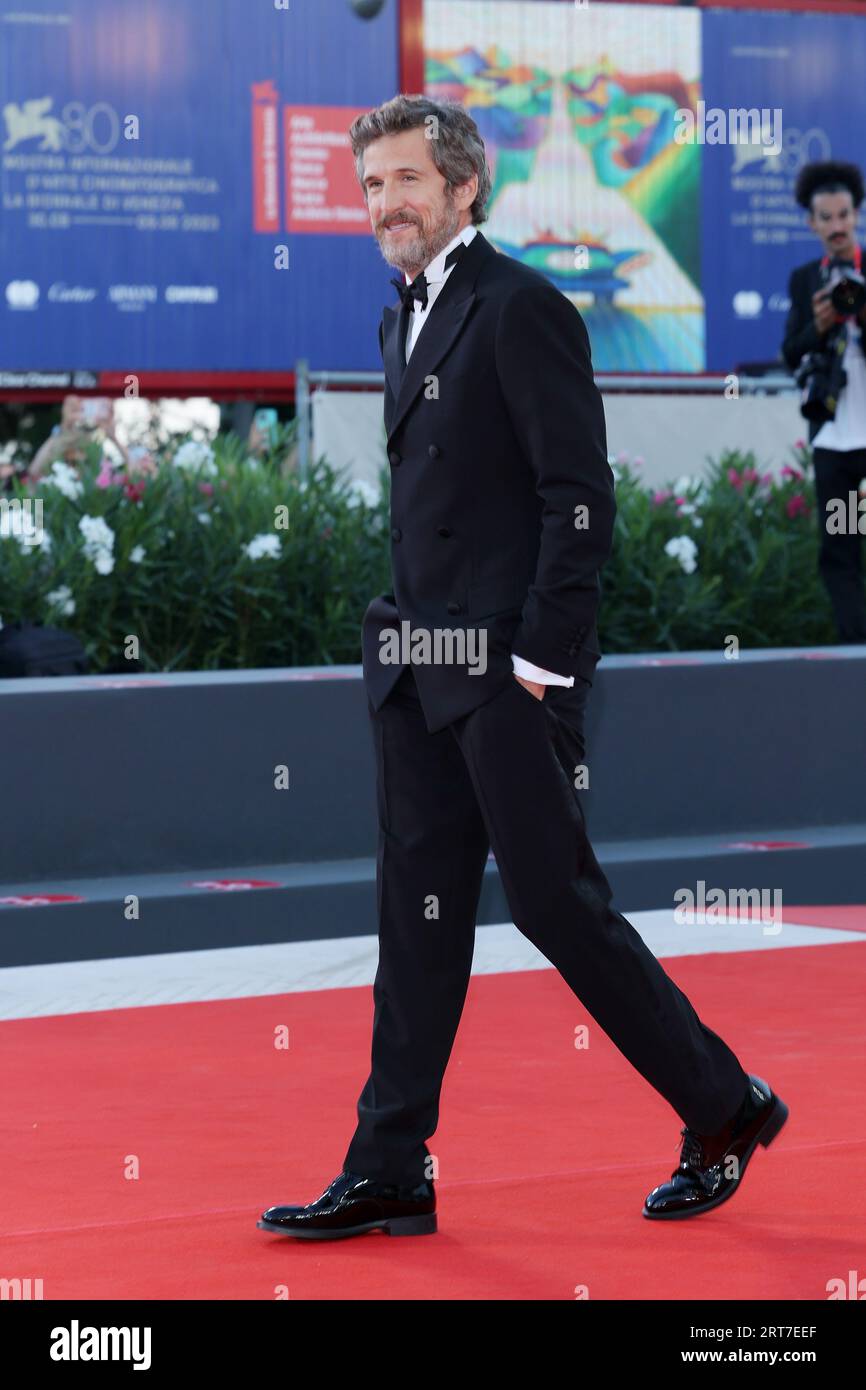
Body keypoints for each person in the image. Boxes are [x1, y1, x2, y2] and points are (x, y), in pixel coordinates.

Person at [258, 95, 787, 1242]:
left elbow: (578, 499)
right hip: (413, 663)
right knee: (417, 917)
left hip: (503, 670)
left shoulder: (523, 309)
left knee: (558, 906)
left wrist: (545, 662)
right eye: (368, 187)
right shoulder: (400, 318)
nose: (383, 204)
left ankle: (725, 1105)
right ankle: (390, 1160)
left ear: (461, 187)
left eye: (403, 181)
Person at [782, 160, 866, 643]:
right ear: (811, 223)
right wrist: (820, 324)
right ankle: (857, 654)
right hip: (834, 441)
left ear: (856, 216)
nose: (836, 226)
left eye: (844, 216)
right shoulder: (803, 281)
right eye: (826, 218)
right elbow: (790, 350)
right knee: (840, 550)